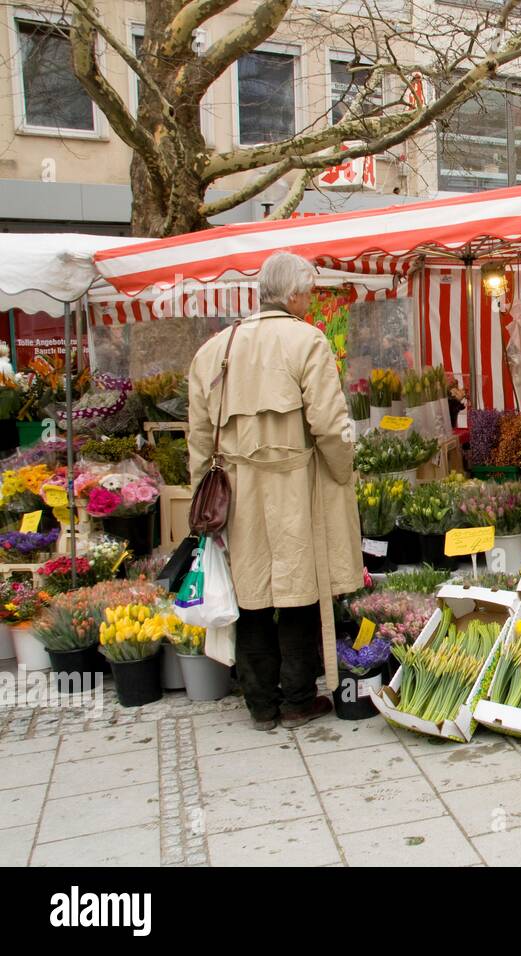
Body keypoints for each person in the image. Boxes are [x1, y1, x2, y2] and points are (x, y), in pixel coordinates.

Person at [188, 251, 364, 732]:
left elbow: (199, 438)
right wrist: (342, 471)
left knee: (249, 595)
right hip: (294, 485)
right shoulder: (308, 341)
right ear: (292, 295)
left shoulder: (215, 349)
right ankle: (298, 700)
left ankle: (261, 705)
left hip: (236, 492)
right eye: (307, 291)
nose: (309, 300)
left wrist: (200, 493)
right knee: (298, 591)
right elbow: (330, 424)